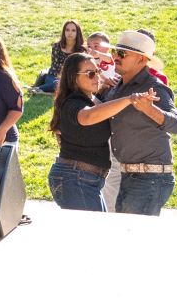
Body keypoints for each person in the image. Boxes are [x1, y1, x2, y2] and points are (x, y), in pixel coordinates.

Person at [103, 30, 177, 216]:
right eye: (115, 52)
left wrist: (150, 109)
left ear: (141, 59)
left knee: (135, 239)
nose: (115, 57)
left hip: (150, 178)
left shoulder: (154, 87)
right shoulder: (118, 87)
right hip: (131, 176)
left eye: (122, 54)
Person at [47, 54, 140, 211]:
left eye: (97, 72)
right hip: (76, 178)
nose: (97, 77)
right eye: (90, 74)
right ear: (73, 77)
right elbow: (87, 116)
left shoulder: (92, 99)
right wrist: (129, 99)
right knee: (92, 233)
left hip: (84, 179)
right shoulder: (73, 102)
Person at [33, 19, 86, 94]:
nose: (70, 33)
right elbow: (55, 65)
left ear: (78, 33)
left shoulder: (81, 49)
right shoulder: (57, 46)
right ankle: (37, 89)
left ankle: (42, 90)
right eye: (67, 30)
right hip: (54, 76)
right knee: (57, 84)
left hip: (71, 78)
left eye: (73, 30)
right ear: (64, 32)